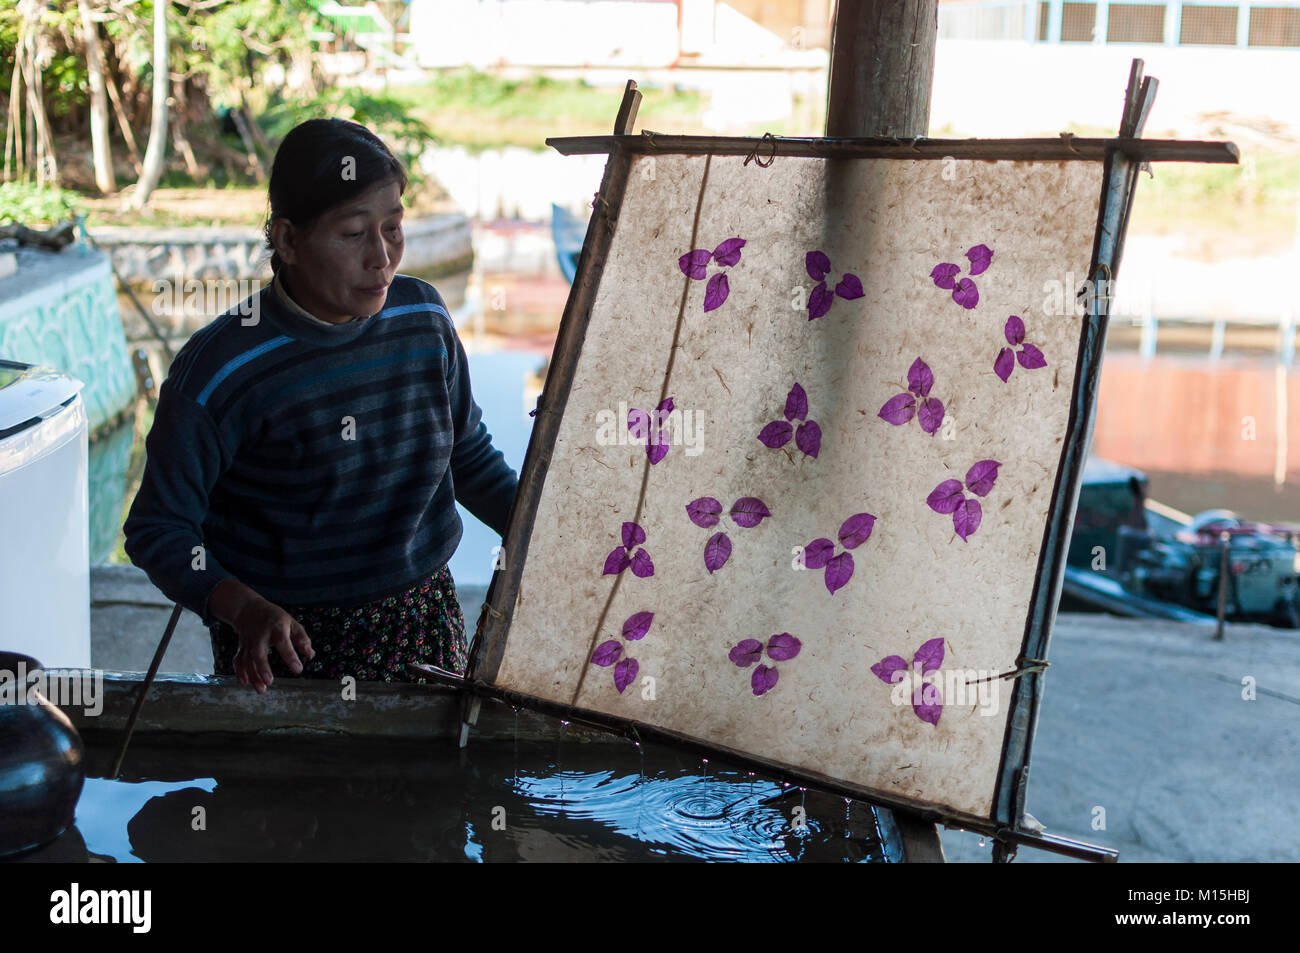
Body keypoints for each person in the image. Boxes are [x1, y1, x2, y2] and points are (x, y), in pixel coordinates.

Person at [124, 118, 518, 693]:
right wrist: (240, 606)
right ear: (287, 241)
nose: (382, 258)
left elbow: (469, 458)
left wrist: (550, 536)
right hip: (286, 648)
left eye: (393, 227)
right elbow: (160, 527)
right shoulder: (221, 370)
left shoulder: (423, 320)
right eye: (354, 234)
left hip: (425, 623)